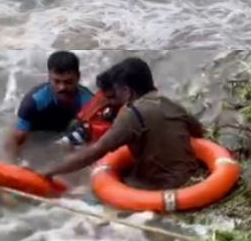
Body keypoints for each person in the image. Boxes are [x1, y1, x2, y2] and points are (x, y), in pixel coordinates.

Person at [40, 57, 203, 190]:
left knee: (92, 189)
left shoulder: (132, 114)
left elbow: (96, 151)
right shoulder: (171, 104)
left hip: (162, 187)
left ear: (127, 91)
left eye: (117, 90)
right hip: (192, 179)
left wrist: (52, 172)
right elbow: (198, 132)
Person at [0, 51, 94, 177]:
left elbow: (95, 138)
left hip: (62, 133)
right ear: (49, 77)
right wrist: (15, 167)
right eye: (56, 81)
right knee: (8, 144)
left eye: (68, 82)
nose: (61, 87)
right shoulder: (35, 101)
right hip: (33, 133)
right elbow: (17, 139)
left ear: (78, 77)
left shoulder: (88, 102)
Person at [60, 68, 122, 148]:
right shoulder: (102, 100)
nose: (110, 101)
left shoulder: (134, 110)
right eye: (107, 97)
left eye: (112, 97)